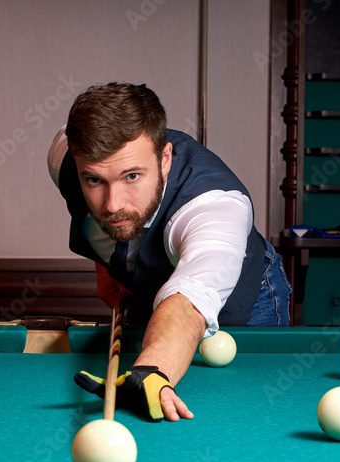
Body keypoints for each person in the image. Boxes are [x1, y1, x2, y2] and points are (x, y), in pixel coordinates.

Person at [47, 82, 291, 422]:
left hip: (246, 294)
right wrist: (108, 269)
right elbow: (97, 220)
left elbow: (191, 299)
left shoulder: (215, 209)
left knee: (252, 411)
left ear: (165, 160)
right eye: (94, 181)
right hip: (150, 288)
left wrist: (152, 370)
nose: (113, 203)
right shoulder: (65, 155)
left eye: (132, 176)